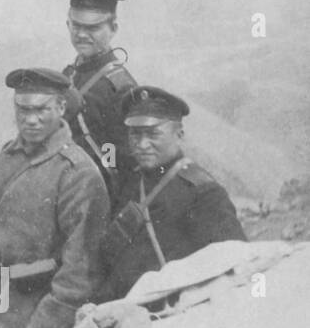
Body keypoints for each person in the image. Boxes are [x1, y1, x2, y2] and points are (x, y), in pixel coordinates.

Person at [0, 68, 108, 328]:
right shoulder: (7, 157)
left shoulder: (77, 172)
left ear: (61, 107)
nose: (31, 120)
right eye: (22, 110)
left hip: (34, 312)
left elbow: (78, 273)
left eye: (41, 110)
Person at [98, 86, 247, 301]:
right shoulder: (132, 181)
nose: (141, 144)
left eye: (153, 134)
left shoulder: (203, 193)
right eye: (135, 134)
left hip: (170, 314)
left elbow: (235, 261)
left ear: (180, 134)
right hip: (121, 305)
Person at [60, 0, 137, 202]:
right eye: (76, 26)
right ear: (68, 24)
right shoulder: (69, 74)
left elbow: (120, 162)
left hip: (99, 197)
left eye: (92, 28)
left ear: (113, 28)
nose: (82, 34)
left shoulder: (120, 88)